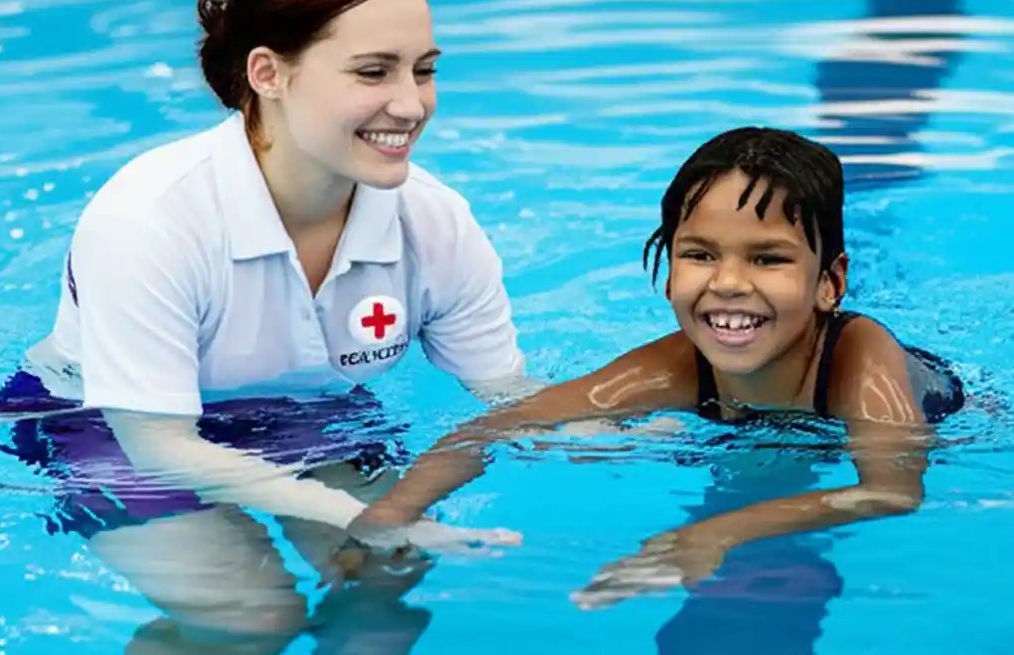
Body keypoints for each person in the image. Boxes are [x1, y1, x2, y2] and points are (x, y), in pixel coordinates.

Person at [0, 0, 526, 651]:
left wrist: (655, 417)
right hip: (106, 425)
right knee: (251, 615)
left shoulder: (433, 221)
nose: (410, 104)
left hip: (304, 417)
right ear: (269, 73)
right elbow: (158, 443)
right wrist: (363, 513)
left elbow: (508, 393)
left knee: (390, 568)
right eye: (373, 71)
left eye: (424, 71)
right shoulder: (150, 219)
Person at [350, 125, 966, 609]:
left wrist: (716, 533)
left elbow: (891, 489)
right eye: (699, 254)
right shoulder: (673, 365)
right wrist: (392, 512)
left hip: (939, 405)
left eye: (767, 259)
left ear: (829, 283)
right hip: (749, 420)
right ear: (669, 269)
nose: (727, 283)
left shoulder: (862, 359)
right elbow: (499, 426)